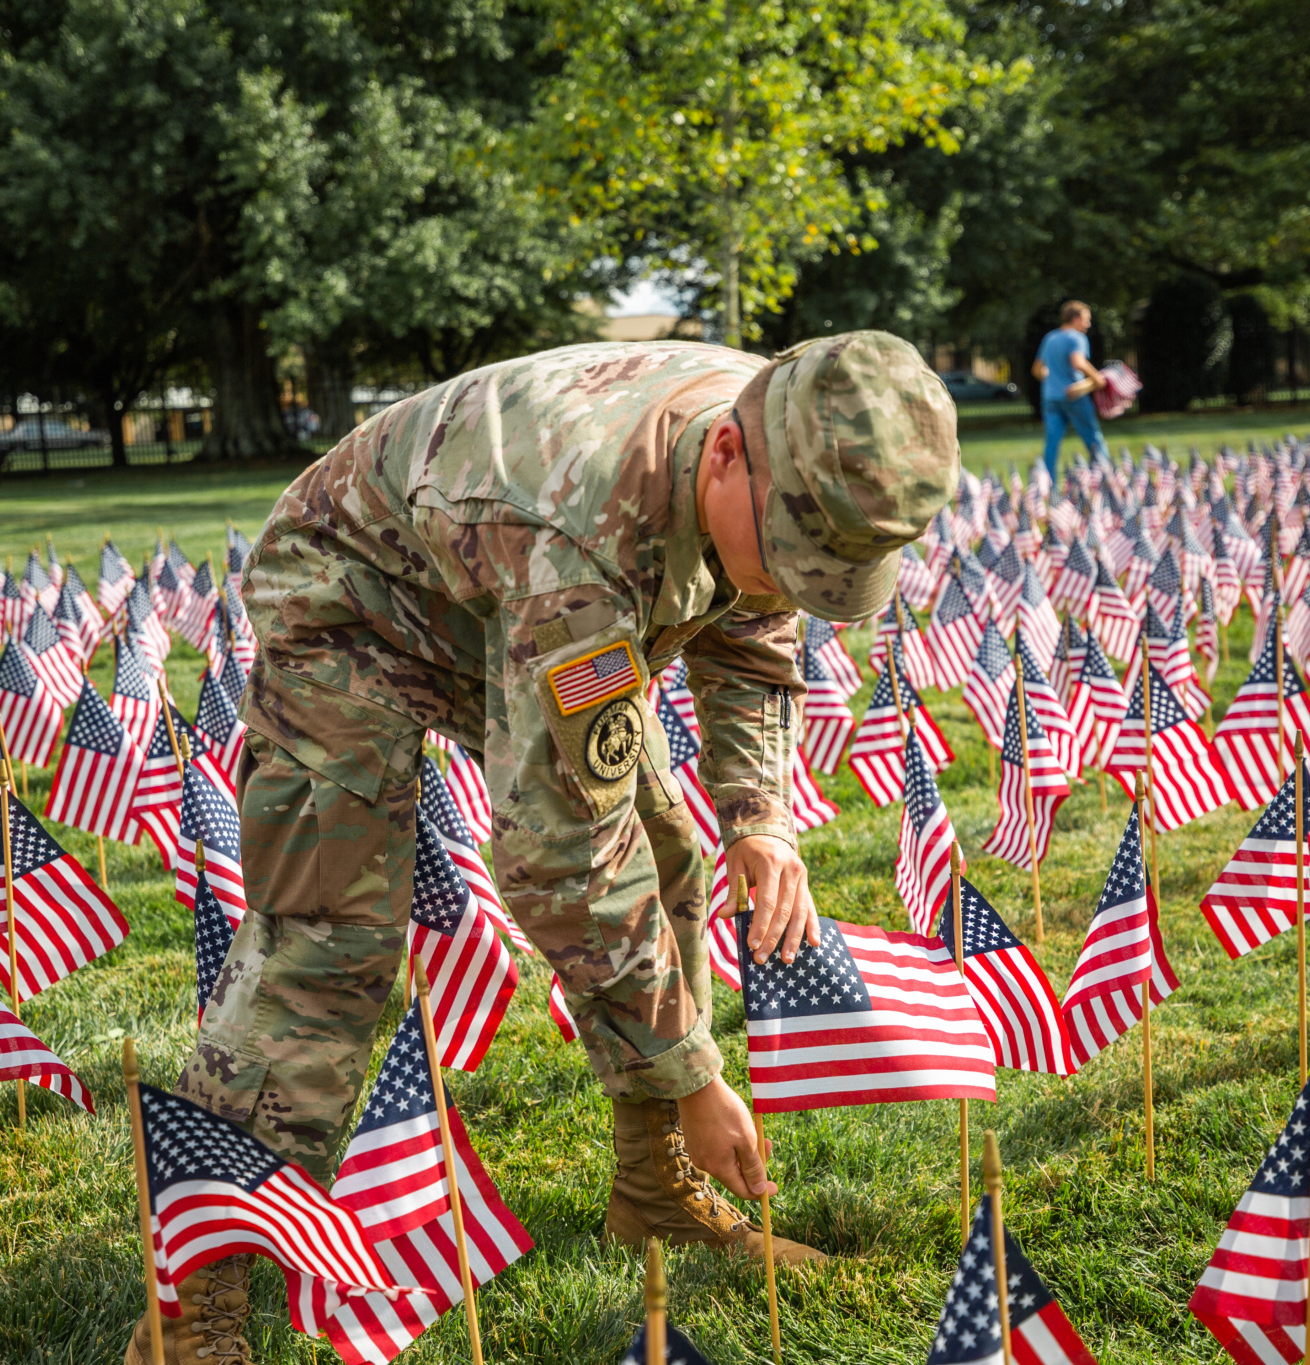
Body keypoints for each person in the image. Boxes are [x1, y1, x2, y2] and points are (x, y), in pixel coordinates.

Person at [126, 333, 959, 1363]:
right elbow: (556, 859)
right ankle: (192, 1295)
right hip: (353, 599)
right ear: (730, 454)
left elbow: (751, 622)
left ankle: (653, 1190)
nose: (804, 580)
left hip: (504, 585)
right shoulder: (585, 527)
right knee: (327, 938)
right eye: (797, 551)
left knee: (665, 858)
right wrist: (693, 1071)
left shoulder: (794, 434)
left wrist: (758, 816)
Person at [1032, 300, 1109, 485]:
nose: (1088, 324)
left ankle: (1050, 486)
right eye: (1086, 319)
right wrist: (1098, 378)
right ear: (1075, 319)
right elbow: (1078, 362)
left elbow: (1037, 369)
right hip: (1074, 396)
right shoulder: (1076, 338)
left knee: (1052, 444)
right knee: (1093, 439)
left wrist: (1051, 379)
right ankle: (1106, 480)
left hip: (1051, 398)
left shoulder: (1050, 338)